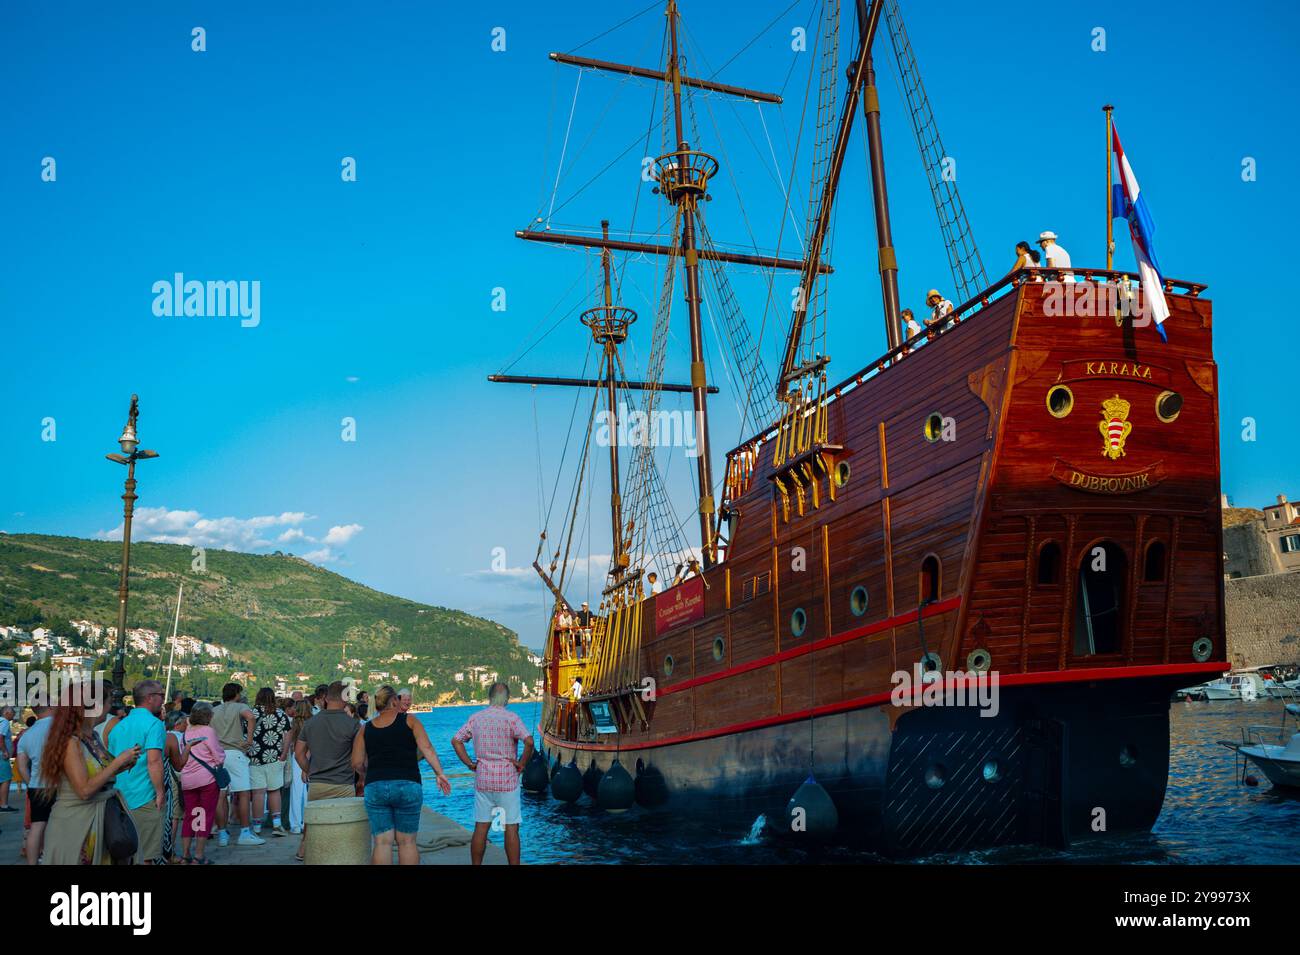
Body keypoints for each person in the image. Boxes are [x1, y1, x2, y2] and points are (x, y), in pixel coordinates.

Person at [40, 685, 141, 865]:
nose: (113, 709)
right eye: (109, 702)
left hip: (100, 822)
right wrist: (117, 762)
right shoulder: (71, 742)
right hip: (77, 826)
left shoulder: (92, 736)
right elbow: (84, 790)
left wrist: (122, 766)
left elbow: (98, 776)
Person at [351, 685, 451, 865]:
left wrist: (369, 773)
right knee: (407, 842)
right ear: (394, 701)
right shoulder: (410, 721)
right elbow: (426, 748)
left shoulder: (366, 728)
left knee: (382, 843)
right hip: (407, 783)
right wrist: (439, 773)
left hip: (376, 786)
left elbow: (357, 762)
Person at [451, 682, 534, 866]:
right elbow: (529, 742)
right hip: (507, 781)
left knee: (481, 827)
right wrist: (521, 764)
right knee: (511, 828)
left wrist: (469, 764)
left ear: (489, 697)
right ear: (506, 698)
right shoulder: (511, 718)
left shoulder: (476, 718)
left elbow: (456, 740)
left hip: (483, 780)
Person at [294, 681, 360, 862]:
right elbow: (359, 759)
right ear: (345, 698)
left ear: (326, 698)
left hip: (318, 784)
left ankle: (303, 848)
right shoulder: (353, 725)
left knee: (313, 822)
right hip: (344, 784)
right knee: (344, 828)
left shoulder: (311, 722)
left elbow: (298, 754)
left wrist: (310, 770)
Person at [106, 679, 168, 864]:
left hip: (120, 795)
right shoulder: (154, 724)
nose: (163, 700)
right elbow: (154, 761)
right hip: (144, 794)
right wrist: (159, 792)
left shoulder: (118, 727)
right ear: (150, 698)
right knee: (146, 855)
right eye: (161, 695)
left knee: (125, 855)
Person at [210, 682, 263, 847]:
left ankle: (222, 833)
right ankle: (245, 832)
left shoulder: (214, 710)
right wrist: (249, 738)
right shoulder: (240, 706)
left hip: (218, 754)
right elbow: (251, 717)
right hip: (235, 752)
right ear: (237, 694)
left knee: (221, 795)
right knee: (243, 794)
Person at [179, 702, 224, 864]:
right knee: (204, 816)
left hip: (188, 780)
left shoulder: (186, 732)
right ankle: (198, 856)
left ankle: (185, 855)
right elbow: (218, 755)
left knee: (190, 816)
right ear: (208, 716)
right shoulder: (208, 731)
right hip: (207, 779)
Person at [249, 687, 291, 837]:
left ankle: (257, 827)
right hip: (274, 756)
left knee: (258, 793)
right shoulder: (280, 714)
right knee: (274, 791)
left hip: (254, 758)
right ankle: (277, 825)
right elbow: (287, 736)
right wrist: (284, 755)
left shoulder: (251, 713)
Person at [15, 703, 53, 864]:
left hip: (37, 785)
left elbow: (22, 766)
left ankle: (33, 862)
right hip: (58, 785)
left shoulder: (27, 734)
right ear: (50, 706)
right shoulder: (58, 728)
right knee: (57, 825)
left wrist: (31, 783)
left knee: (36, 826)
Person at [163, 709, 189, 863]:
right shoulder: (179, 738)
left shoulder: (164, 736)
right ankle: (170, 851)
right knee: (175, 816)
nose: (187, 724)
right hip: (177, 778)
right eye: (185, 722)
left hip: (168, 777)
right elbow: (179, 763)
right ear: (178, 724)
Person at [286, 701, 312, 834]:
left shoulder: (294, 723)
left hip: (297, 756)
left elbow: (291, 743)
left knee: (296, 792)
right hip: (310, 756)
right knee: (307, 792)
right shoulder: (312, 723)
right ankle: (306, 821)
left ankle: (295, 823)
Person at [0, 706, 14, 812]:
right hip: (1, 756)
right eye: (12, 712)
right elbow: (0, 737)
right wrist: (5, 751)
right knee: (6, 779)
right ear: (6, 713)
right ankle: (3, 805)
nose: (13, 715)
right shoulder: (4, 722)